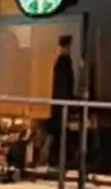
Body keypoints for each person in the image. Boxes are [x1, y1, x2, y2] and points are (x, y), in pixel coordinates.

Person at [48, 36, 75, 168]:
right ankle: (56, 161)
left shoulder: (60, 61)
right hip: (62, 103)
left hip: (58, 102)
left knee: (58, 132)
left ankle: (54, 160)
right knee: (60, 132)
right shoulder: (64, 61)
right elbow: (65, 84)